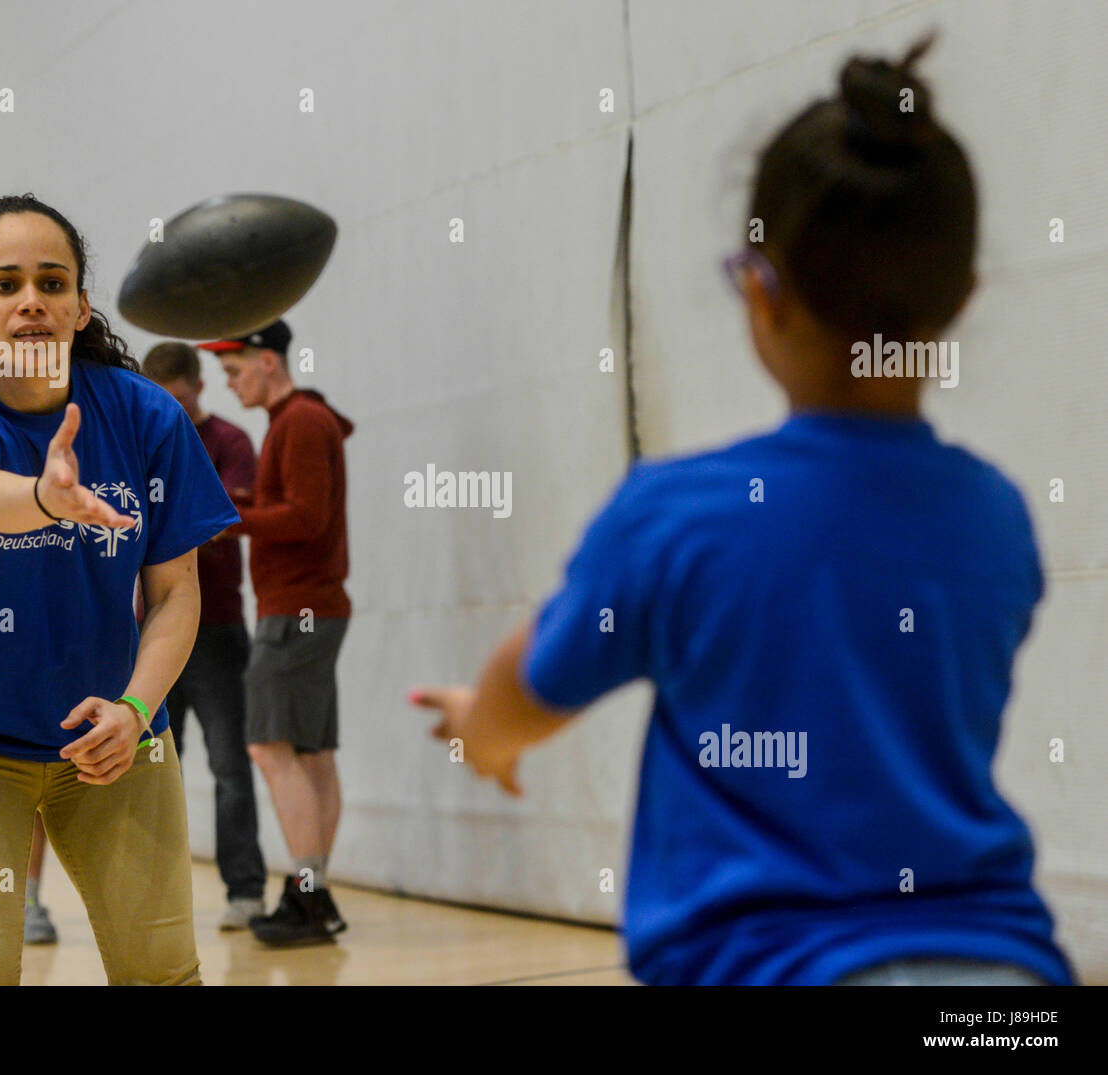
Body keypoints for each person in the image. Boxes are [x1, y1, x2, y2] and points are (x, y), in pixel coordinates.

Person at [411, 36, 1076, 987]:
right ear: (961, 302)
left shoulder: (677, 514)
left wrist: (481, 726)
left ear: (761, 294)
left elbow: (529, 693)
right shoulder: (996, 517)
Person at [0, 193, 238, 985]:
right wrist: (39, 497)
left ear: (81, 305)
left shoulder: (146, 417)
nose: (31, 299)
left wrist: (135, 710)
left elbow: (174, 596)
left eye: (52, 281)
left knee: (163, 970)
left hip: (112, 737)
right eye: (5, 284)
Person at [200, 321, 353, 946]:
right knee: (311, 753)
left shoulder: (299, 423)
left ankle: (308, 896)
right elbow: (293, 506)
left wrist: (227, 518)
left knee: (268, 747)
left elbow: (307, 518)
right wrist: (243, 502)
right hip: (311, 607)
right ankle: (311, 894)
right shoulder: (300, 422)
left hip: (295, 611)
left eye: (234, 371)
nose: (230, 386)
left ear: (266, 362)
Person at [142, 341, 268, 930]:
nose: (171, 407)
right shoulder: (140, 446)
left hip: (216, 630)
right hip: (149, 636)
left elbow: (230, 514)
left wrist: (170, 527)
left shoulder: (231, 442)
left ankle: (245, 891)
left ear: (199, 387)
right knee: (151, 769)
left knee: (229, 766)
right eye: (160, 398)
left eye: (180, 397)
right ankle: (152, 898)